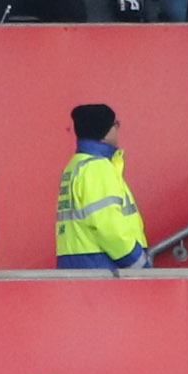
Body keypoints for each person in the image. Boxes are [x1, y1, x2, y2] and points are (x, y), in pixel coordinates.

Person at [54, 102, 145, 271]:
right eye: (115, 124)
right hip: (104, 269)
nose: (117, 129)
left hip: (79, 265)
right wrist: (138, 262)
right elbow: (108, 224)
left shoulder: (76, 165)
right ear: (103, 130)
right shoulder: (97, 168)